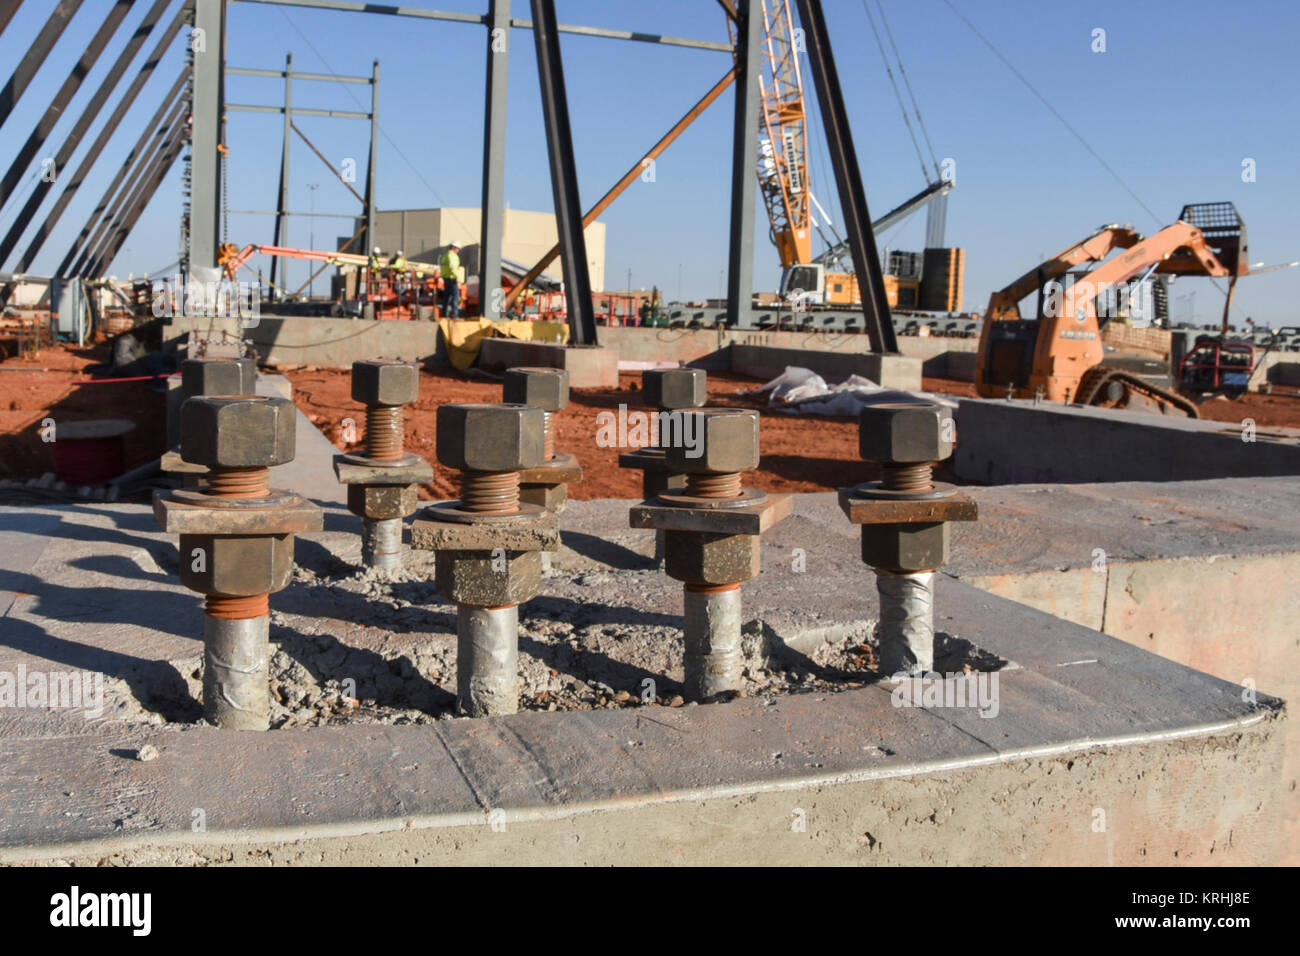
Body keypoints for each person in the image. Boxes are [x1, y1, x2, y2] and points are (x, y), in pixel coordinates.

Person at [440, 240, 462, 318]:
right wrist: (457, 278)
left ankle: (444, 315)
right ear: (454, 248)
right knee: (455, 297)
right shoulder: (452, 256)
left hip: (446, 279)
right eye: (458, 249)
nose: (458, 251)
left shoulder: (445, 255)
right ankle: (455, 315)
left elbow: (443, 268)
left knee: (446, 298)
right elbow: (453, 267)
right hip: (452, 279)